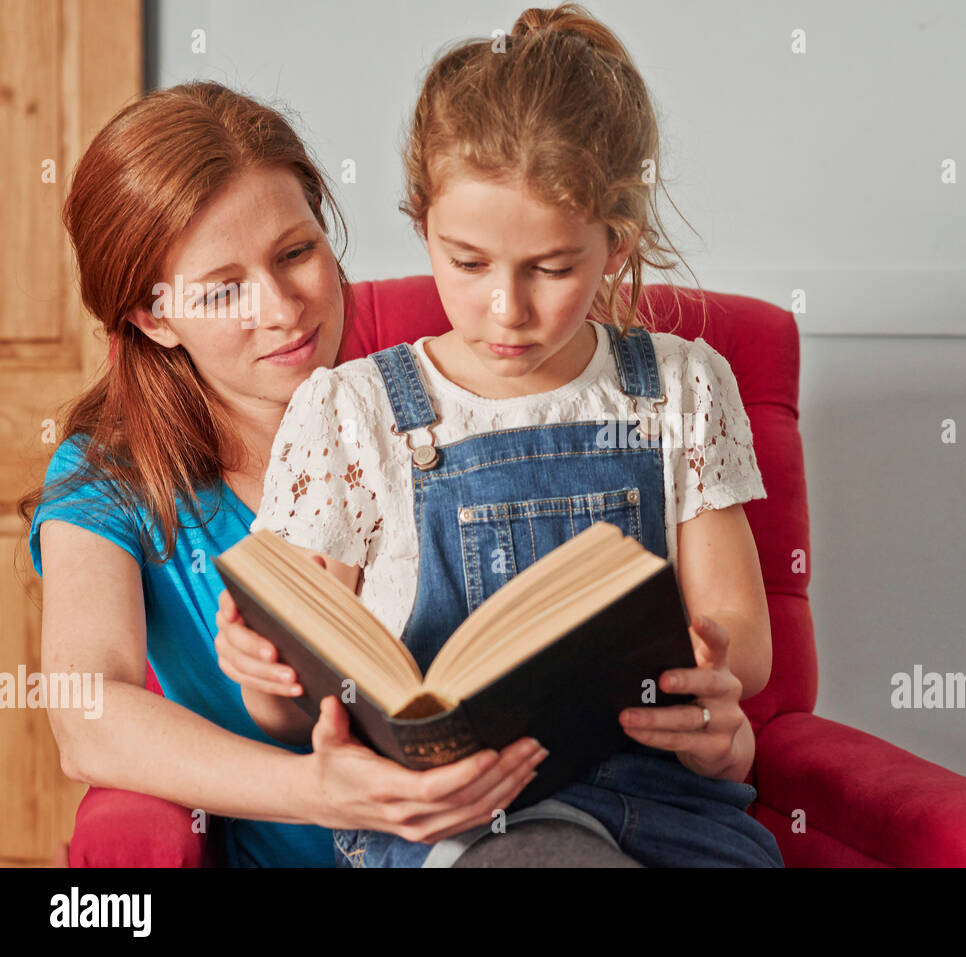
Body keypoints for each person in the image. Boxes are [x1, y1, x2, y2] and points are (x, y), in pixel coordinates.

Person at [215, 3, 784, 868]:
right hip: (457, 822)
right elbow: (298, 705)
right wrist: (267, 676)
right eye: (468, 262)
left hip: (664, 801)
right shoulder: (351, 411)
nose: (505, 309)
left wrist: (712, 685)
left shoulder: (679, 385)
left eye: (553, 268)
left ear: (615, 245)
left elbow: (739, 630)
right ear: (421, 224)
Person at [21, 81, 542, 867]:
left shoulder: (438, 401)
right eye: (224, 288)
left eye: (296, 252)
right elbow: (87, 715)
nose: (283, 307)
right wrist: (324, 792)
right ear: (153, 316)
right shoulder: (108, 475)